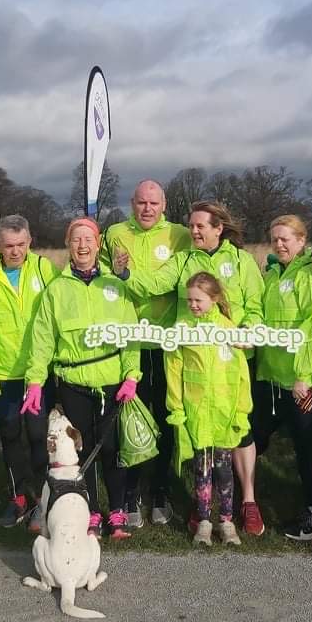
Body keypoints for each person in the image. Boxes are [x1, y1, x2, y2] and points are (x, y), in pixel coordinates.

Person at [113, 200, 266, 535]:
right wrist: (124, 274)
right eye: (191, 225)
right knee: (198, 437)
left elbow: (256, 305)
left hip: (229, 363)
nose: (193, 231)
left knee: (239, 432)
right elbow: (153, 284)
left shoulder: (241, 262)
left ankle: (247, 503)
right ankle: (202, 509)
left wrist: (247, 331)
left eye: (200, 226)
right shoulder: (182, 261)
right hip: (193, 363)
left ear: (218, 229)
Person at [23, 218, 142, 540]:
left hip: (112, 382)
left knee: (113, 449)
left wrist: (132, 374)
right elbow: (43, 339)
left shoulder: (116, 285)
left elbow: (131, 334)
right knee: (82, 449)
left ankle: (117, 511)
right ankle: (91, 512)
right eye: (76, 240)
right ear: (68, 244)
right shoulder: (56, 290)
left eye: (88, 239)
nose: (83, 246)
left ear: (98, 243)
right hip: (73, 383)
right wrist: (35, 381)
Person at [99, 179, 192, 528]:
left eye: (154, 203)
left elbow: (171, 282)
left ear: (164, 204)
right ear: (131, 203)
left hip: (168, 345)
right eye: (141, 203)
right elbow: (106, 274)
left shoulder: (181, 235)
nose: (147, 209)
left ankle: (162, 493)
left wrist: (128, 276)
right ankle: (133, 494)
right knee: (132, 421)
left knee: (167, 421)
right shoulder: (115, 233)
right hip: (130, 343)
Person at [0, 214, 59, 529]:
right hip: (2, 374)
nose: (15, 251)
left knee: (37, 435)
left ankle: (43, 500)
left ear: (30, 241)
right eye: (8, 246)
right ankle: (19, 498)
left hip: (37, 373)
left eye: (21, 244)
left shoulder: (45, 270)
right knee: (10, 436)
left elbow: (61, 310)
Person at [255, 215, 312, 541]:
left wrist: (304, 375)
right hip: (273, 378)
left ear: (302, 241)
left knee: (310, 448)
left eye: (286, 238)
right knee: (254, 437)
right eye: (275, 239)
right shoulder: (272, 275)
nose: (279, 244)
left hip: (303, 380)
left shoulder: (310, 276)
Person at [165, 272, 252, 546]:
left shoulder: (228, 329)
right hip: (197, 410)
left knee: (224, 468)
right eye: (189, 299)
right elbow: (174, 370)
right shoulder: (182, 329)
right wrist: (176, 407)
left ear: (214, 299)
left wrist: (241, 409)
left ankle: (226, 521)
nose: (193, 304)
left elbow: (241, 374)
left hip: (225, 411)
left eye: (198, 300)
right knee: (202, 468)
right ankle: (203, 520)